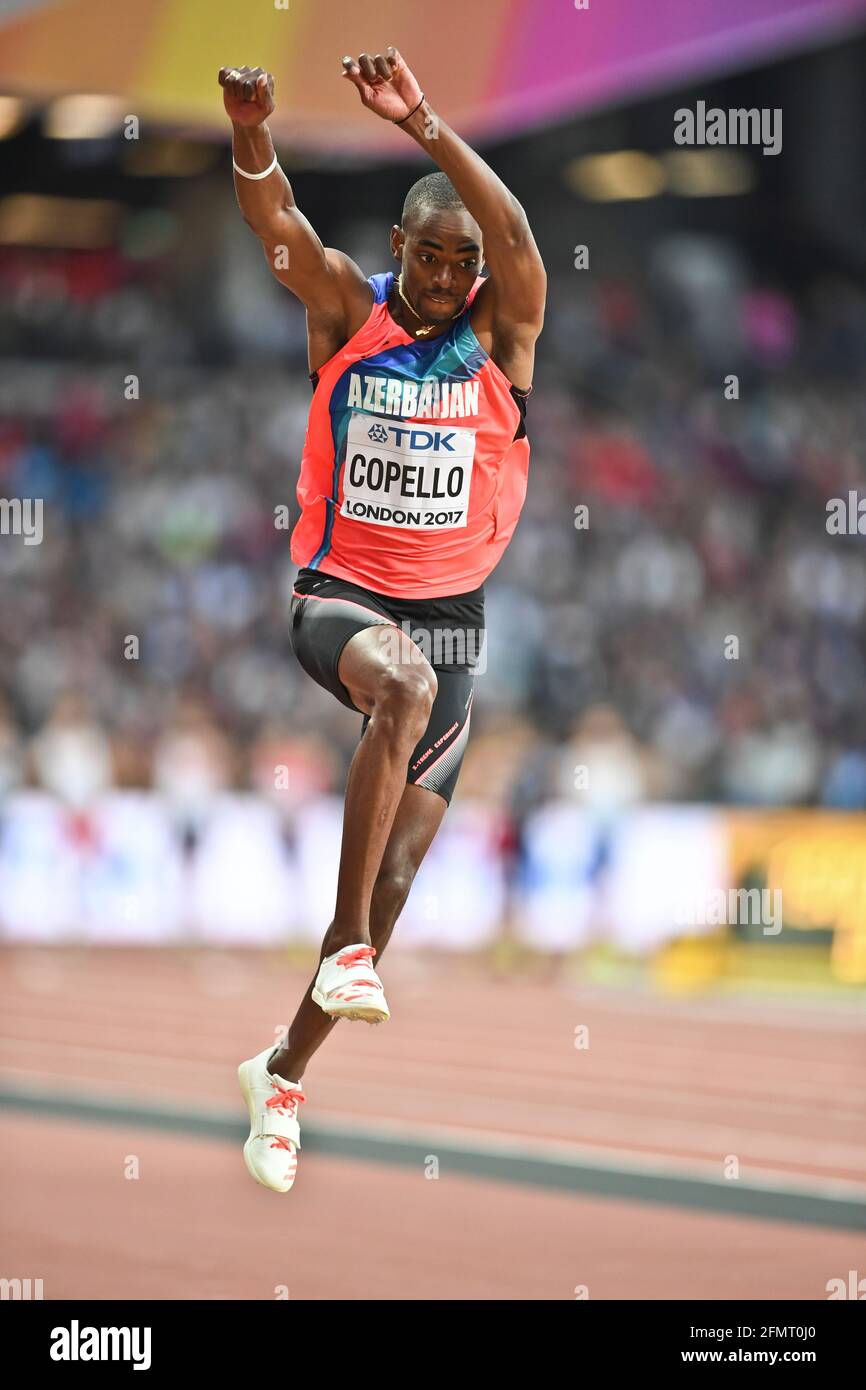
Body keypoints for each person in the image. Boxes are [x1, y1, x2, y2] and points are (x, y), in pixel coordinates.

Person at [221, 46, 546, 1192]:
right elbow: (278, 225)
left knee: (399, 874)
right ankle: (346, 946)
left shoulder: (504, 340)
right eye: (433, 253)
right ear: (399, 250)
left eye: (466, 260)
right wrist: (250, 132)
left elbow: (513, 233)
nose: (457, 271)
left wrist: (421, 120)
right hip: (339, 598)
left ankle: (283, 1076)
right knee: (396, 687)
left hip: (454, 628)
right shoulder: (344, 311)